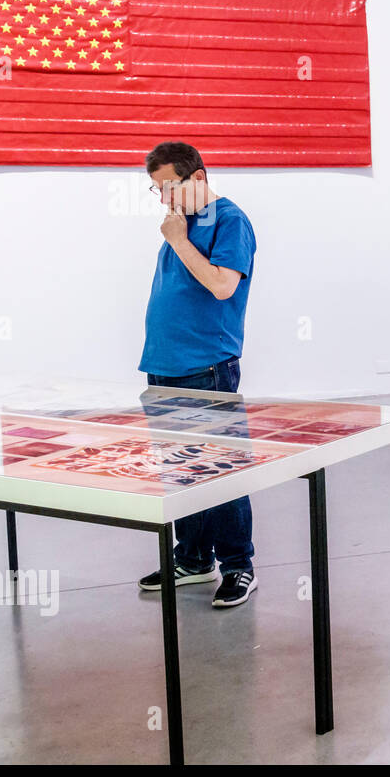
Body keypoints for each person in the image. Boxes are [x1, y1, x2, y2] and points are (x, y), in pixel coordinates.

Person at [135, 141, 260, 608]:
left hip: (207, 368)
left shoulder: (229, 221)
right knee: (179, 468)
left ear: (199, 178)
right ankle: (192, 558)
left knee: (220, 468)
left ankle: (237, 566)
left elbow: (223, 285)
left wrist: (178, 240)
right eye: (157, 189)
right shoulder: (180, 224)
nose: (165, 198)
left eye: (170, 187)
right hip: (164, 365)